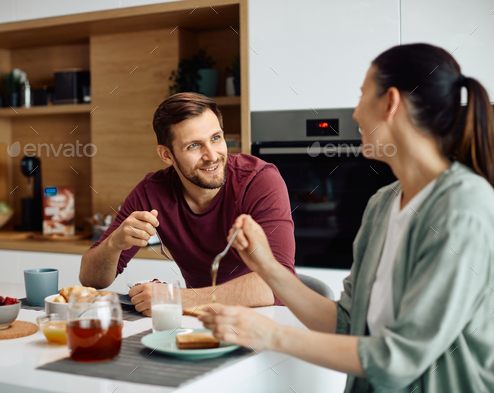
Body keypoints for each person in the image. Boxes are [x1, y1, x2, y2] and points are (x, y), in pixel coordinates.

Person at [198, 43, 494, 392]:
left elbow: (399, 358)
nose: (354, 113)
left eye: (362, 95)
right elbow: (348, 324)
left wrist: (270, 334)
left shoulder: (463, 207)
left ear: (391, 102)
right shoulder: (384, 204)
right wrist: (268, 268)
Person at [80, 92, 297, 316]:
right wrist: (114, 243)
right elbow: (90, 280)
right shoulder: (151, 192)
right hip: (200, 320)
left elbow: (280, 283)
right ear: (167, 155)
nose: (212, 155)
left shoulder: (259, 180)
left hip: (269, 321)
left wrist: (174, 298)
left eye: (216, 138)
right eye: (194, 145)